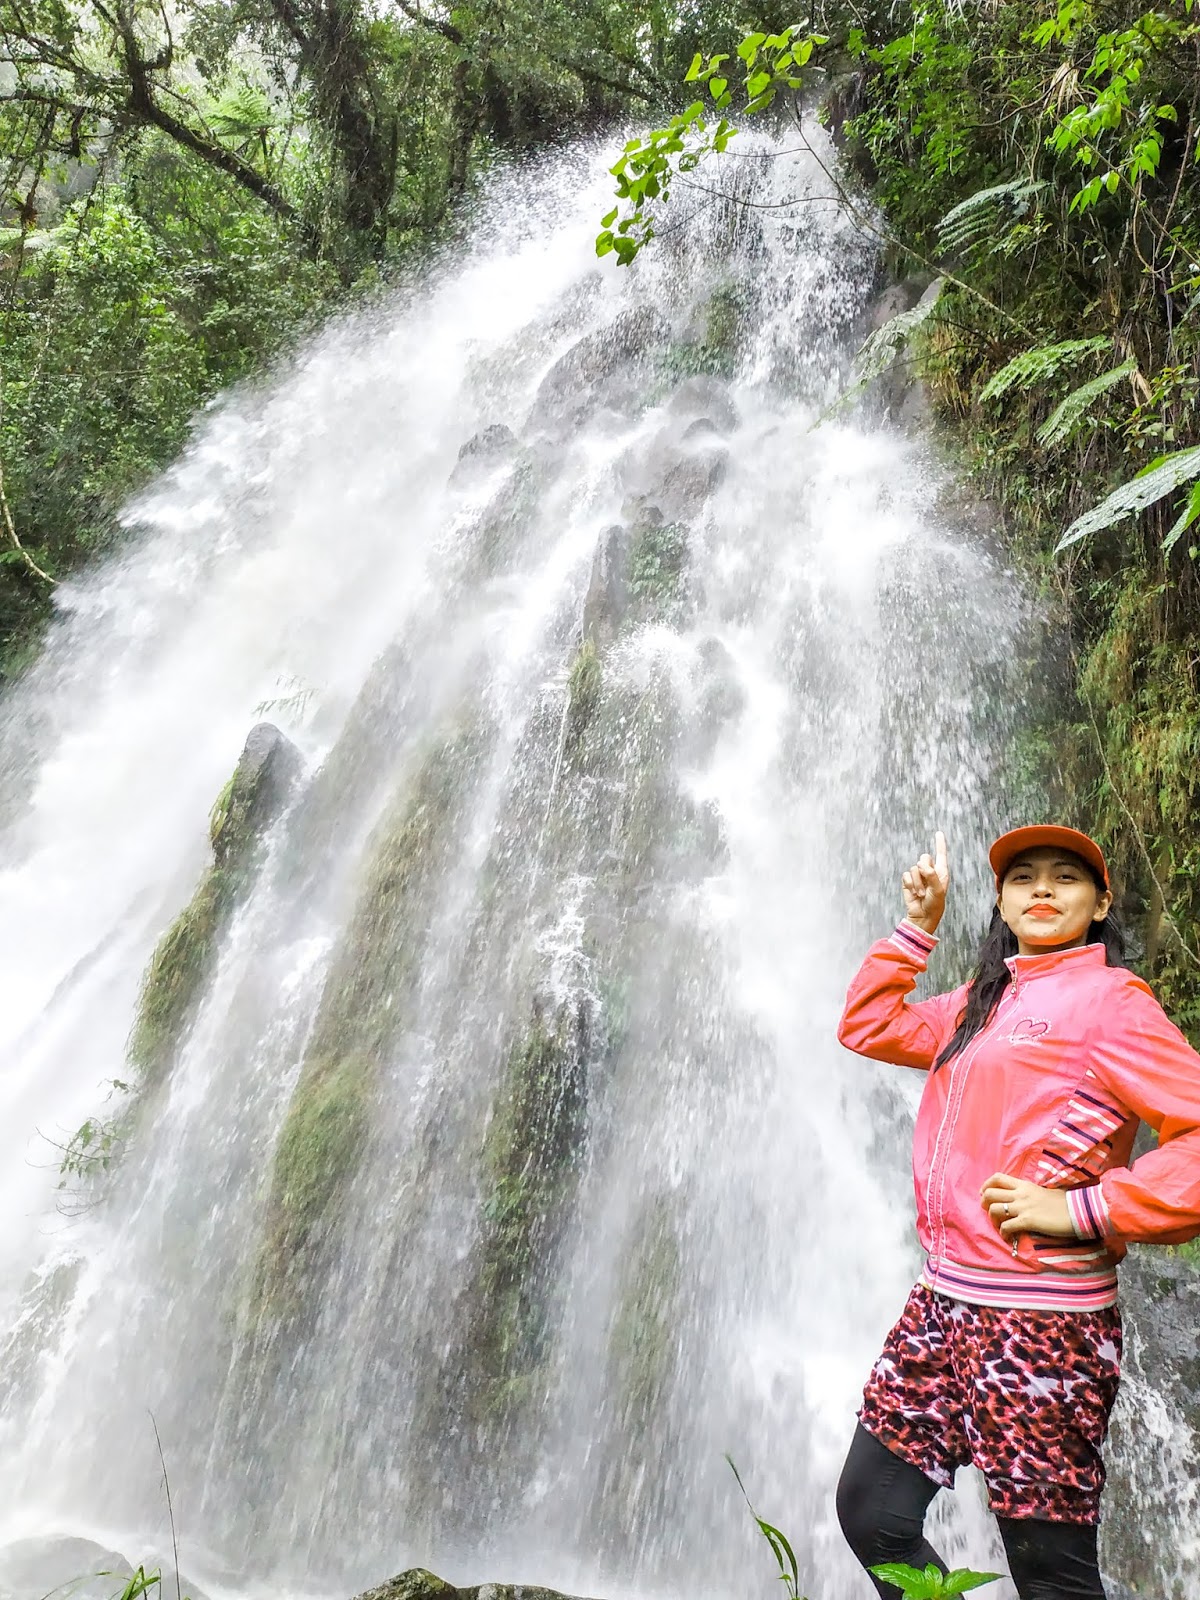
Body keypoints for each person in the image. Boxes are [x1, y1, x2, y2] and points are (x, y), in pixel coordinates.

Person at [833, 824, 1200, 1600]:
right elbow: (867, 1025)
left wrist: (1087, 1209)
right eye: (1022, 876)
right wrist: (917, 927)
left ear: (1100, 903)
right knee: (872, 1512)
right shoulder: (980, 1001)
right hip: (943, 1304)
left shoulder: (1111, 1003)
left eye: (1064, 877)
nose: (1040, 888)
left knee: (1049, 1574)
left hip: (1043, 1324)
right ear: (999, 900)